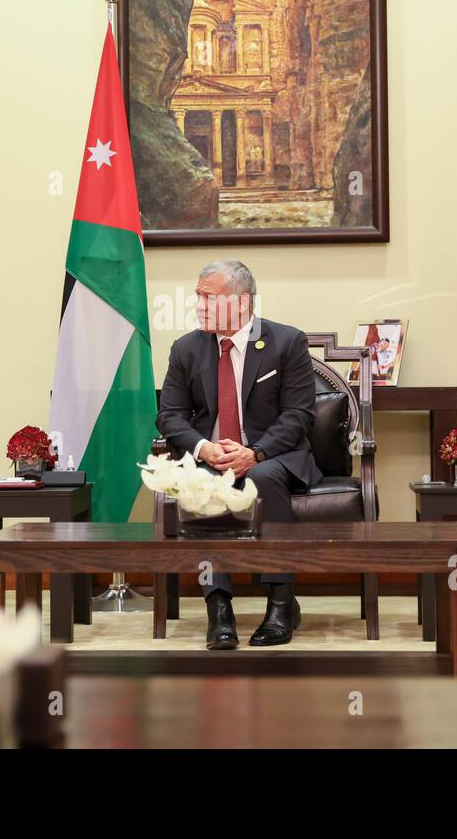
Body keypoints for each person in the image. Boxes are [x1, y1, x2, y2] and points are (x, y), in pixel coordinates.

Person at [157, 259, 321, 650]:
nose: (197, 305)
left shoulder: (286, 342)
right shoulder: (186, 348)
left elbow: (300, 414)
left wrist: (255, 452)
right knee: (202, 482)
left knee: (260, 479)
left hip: (271, 455)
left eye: (207, 297)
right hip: (211, 457)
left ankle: (281, 603)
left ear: (242, 302)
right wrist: (203, 447)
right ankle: (219, 607)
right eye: (197, 296)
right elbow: (169, 415)